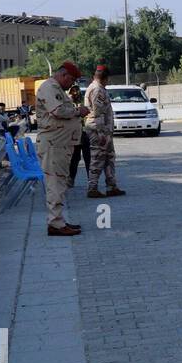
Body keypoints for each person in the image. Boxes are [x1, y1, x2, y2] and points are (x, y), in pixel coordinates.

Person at [34, 62, 88, 236]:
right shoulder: (49, 87)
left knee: (60, 184)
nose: (71, 84)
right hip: (53, 145)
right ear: (63, 75)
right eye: (71, 79)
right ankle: (55, 224)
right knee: (55, 185)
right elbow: (58, 111)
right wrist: (77, 111)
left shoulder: (57, 89)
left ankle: (58, 220)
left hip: (60, 145)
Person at [84, 65, 125, 199]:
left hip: (103, 130)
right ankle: (92, 188)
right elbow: (97, 113)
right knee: (97, 158)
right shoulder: (97, 90)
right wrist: (102, 133)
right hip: (98, 130)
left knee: (109, 157)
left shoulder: (97, 88)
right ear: (106, 78)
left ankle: (111, 186)